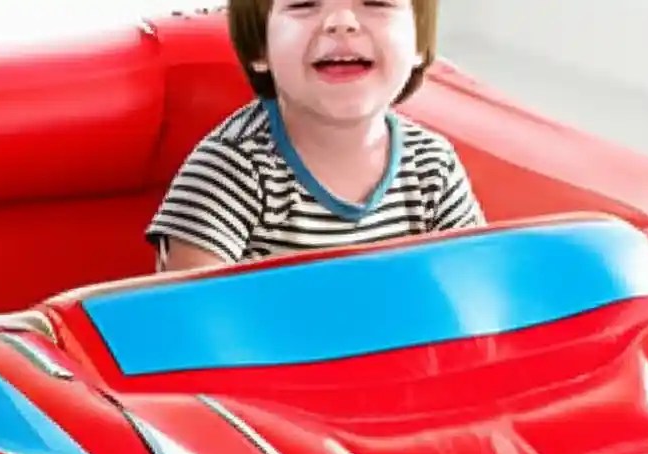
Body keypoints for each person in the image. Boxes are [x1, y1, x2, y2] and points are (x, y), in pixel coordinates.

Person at [146, 0, 486, 272]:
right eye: (304, 4)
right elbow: (189, 330)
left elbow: (478, 292)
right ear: (259, 48)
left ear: (419, 45)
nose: (342, 22)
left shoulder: (434, 165)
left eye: (376, 2)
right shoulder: (229, 171)